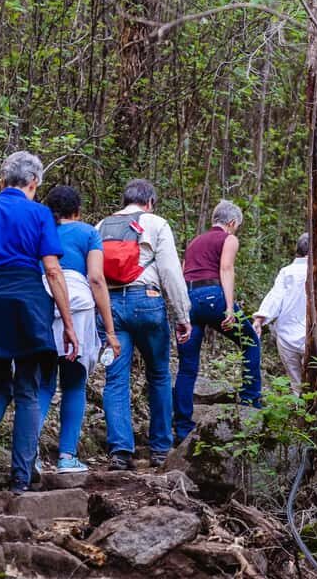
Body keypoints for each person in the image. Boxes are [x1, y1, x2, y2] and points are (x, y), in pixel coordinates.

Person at [0, 151, 78, 494]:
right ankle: (21, 479)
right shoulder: (39, 214)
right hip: (27, 306)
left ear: (1, 181)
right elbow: (52, 270)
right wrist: (68, 323)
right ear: (34, 183)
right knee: (26, 390)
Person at [97, 178, 191, 470]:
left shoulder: (101, 226)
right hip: (147, 300)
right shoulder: (156, 223)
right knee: (160, 375)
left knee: (116, 379)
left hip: (110, 305)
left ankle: (120, 452)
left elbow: (94, 272)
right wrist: (182, 315)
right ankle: (161, 448)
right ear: (150, 202)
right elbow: (170, 272)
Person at [37, 185, 120, 474]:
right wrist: (109, 330)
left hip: (44, 304)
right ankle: (66, 457)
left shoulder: (40, 230)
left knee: (43, 383)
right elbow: (96, 278)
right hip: (80, 308)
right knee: (74, 382)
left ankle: (27, 454)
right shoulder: (88, 233)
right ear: (78, 210)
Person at [173, 200, 261, 442]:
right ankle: (251, 401)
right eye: (237, 227)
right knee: (250, 341)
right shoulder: (228, 239)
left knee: (187, 366)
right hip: (213, 296)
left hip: (187, 300)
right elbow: (226, 268)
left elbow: (181, 273)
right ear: (231, 223)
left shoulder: (193, 243)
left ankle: (182, 428)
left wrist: (181, 311)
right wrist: (230, 307)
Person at [253, 232, 317, 395]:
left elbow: (275, 296)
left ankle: (301, 414)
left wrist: (260, 318)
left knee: (298, 386)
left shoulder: (287, 272)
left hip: (288, 338)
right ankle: (313, 416)